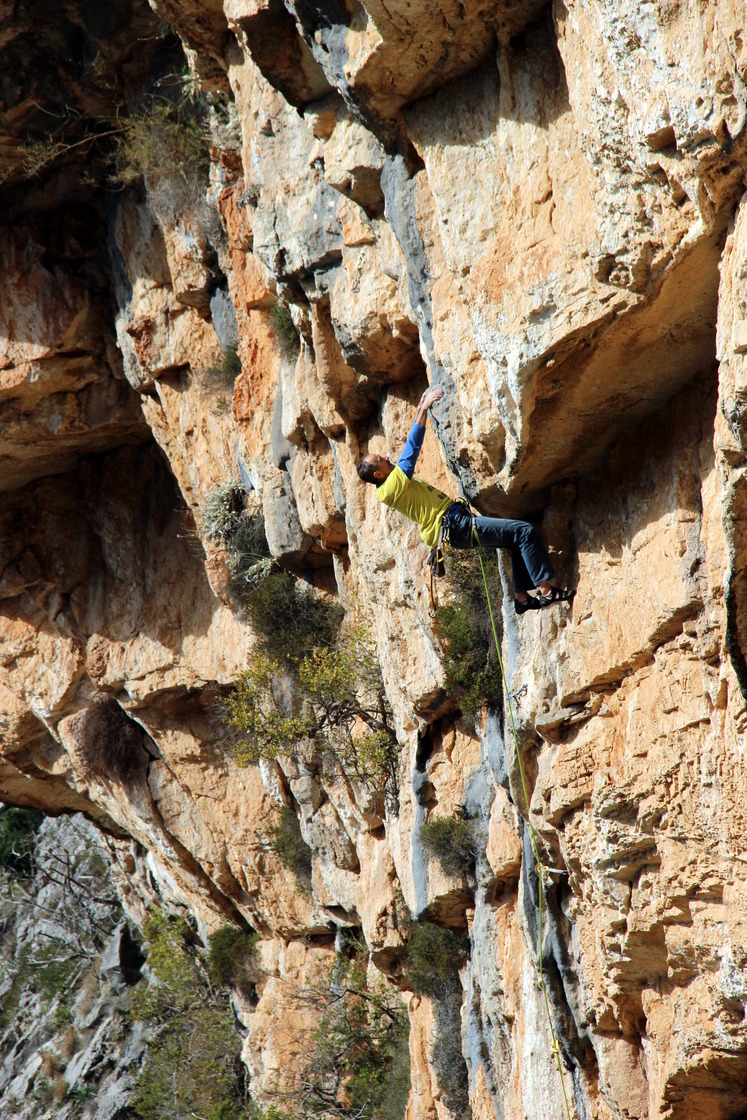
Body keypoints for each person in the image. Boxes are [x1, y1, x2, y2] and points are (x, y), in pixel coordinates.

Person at [356, 387, 574, 614]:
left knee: (513, 540)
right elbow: (411, 451)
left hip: (454, 528)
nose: (387, 457)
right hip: (457, 525)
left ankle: (521, 598)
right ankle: (546, 591)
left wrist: (421, 408)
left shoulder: (389, 488)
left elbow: (425, 513)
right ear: (378, 475)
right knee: (524, 532)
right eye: (381, 460)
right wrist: (423, 409)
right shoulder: (392, 485)